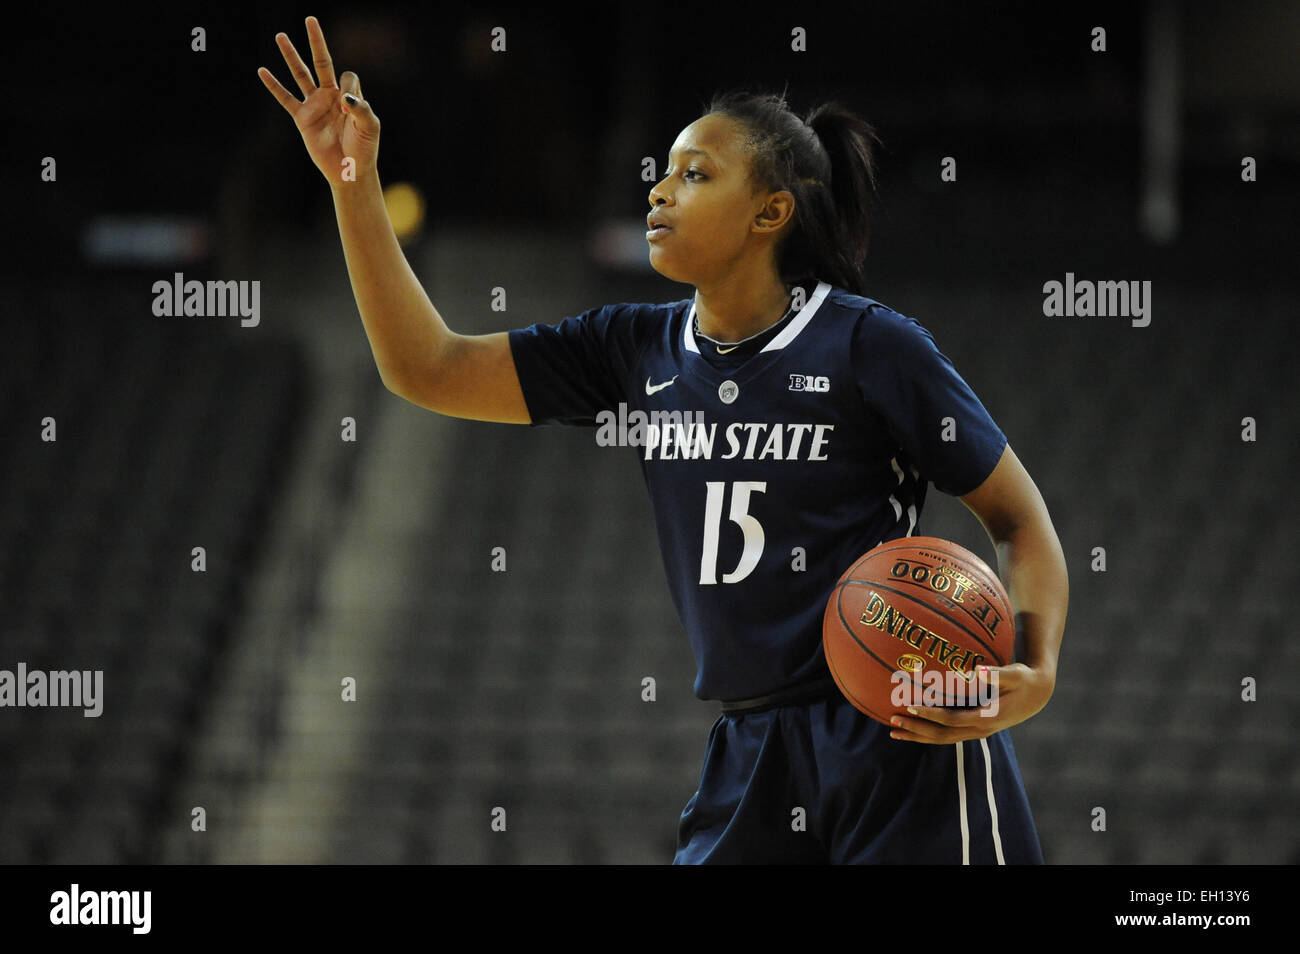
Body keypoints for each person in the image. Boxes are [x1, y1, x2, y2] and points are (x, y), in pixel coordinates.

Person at [259, 16, 1069, 864]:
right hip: (750, 749)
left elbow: (1020, 520)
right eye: (662, 172)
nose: (659, 190)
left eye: (695, 173)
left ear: (771, 211)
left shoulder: (872, 347)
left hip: (903, 735)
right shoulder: (633, 346)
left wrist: (1036, 669)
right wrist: (353, 184)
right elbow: (426, 367)